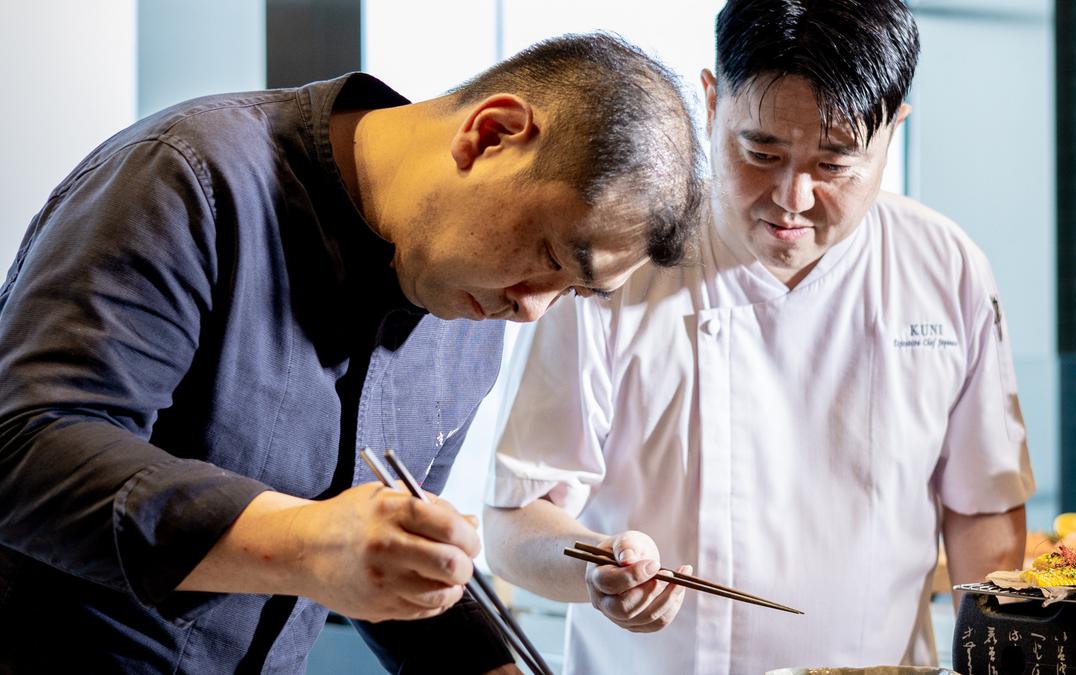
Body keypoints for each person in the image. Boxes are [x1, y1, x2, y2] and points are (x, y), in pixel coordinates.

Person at [0, 33, 703, 674]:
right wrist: (307, 541)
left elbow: (385, 563)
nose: (530, 308)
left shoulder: (471, 311)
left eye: (573, 292)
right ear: (491, 134)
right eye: (548, 254)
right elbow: (24, 451)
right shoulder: (187, 179)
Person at [484, 2, 1035, 672]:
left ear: (893, 130)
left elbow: (983, 513)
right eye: (762, 152)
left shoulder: (945, 268)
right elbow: (514, 522)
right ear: (711, 104)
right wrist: (599, 574)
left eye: (834, 164)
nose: (793, 198)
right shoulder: (621, 258)